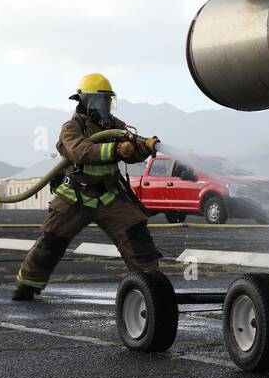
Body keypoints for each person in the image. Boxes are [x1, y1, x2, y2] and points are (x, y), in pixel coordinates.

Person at [13, 74, 161, 301]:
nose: (104, 106)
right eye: (99, 101)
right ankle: (27, 284)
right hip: (76, 197)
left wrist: (144, 147)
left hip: (110, 196)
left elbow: (131, 153)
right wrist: (115, 150)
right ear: (84, 101)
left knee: (137, 237)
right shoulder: (72, 128)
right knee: (51, 242)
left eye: (107, 101)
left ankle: (153, 288)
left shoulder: (116, 126)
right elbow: (81, 152)